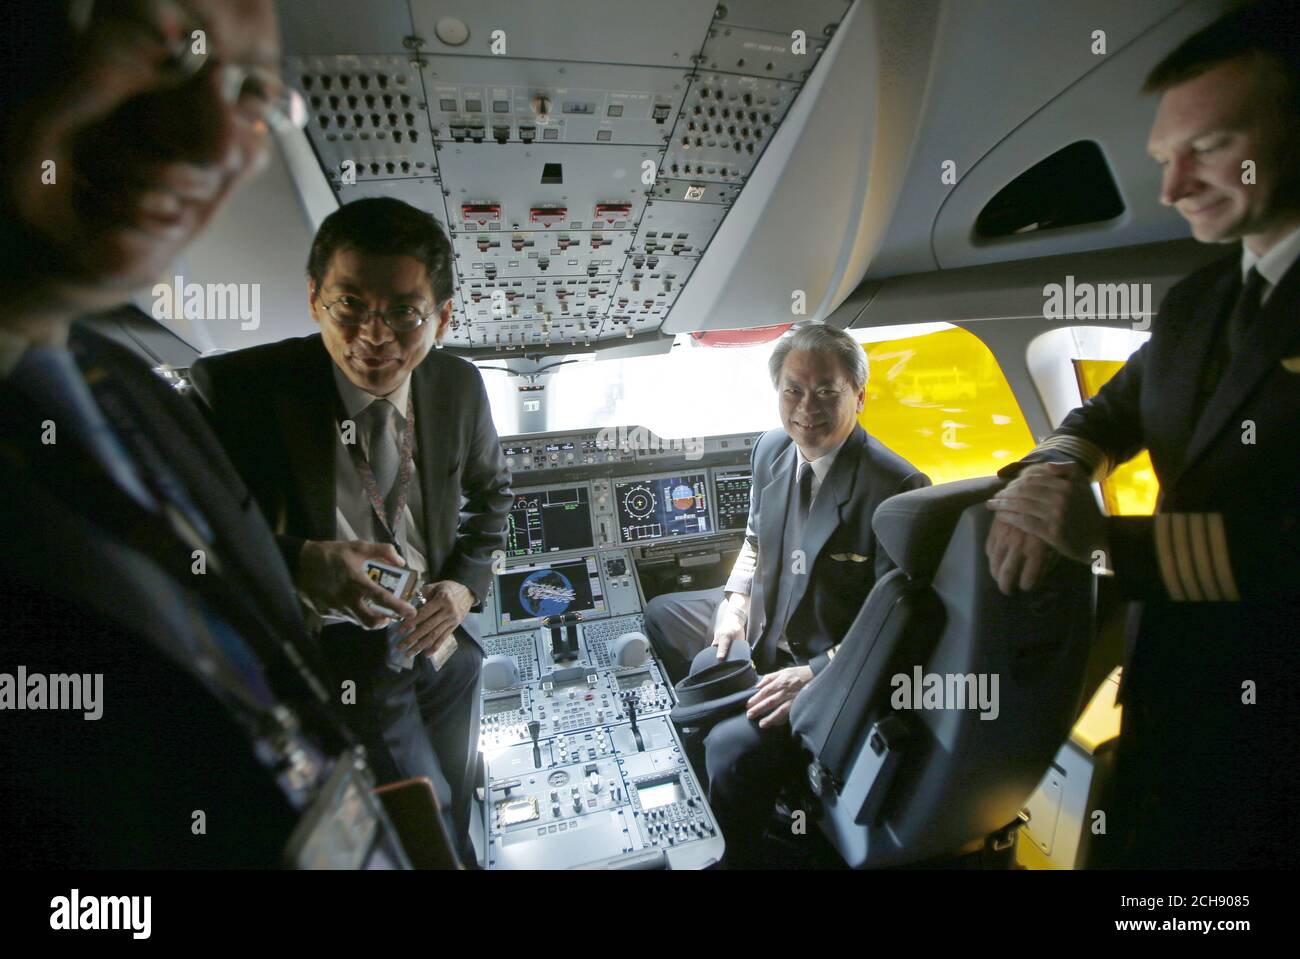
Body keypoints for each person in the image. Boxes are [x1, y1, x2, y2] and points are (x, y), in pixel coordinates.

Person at [0, 0, 377, 867]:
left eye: (253, 89)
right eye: (160, 43)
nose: (216, 137)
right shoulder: (206, 382)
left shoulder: (122, 381)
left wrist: (302, 567)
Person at [984, 0, 1300, 868]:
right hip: (1169, 688)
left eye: (1207, 146)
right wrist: (1053, 469)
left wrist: (1100, 544)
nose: (1169, 189)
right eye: (1165, 158)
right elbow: (1107, 412)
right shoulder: (1205, 296)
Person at [190, 197, 513, 863]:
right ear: (314, 299)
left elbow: (493, 498)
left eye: (403, 311)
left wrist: (461, 590)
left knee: (463, 782)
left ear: (442, 317)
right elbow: (190, 535)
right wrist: (301, 563)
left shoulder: (459, 384)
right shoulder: (237, 393)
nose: (374, 334)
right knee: (424, 806)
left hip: (447, 645)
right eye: (349, 306)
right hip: (350, 662)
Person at [645, 323, 929, 866]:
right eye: (793, 390)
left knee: (728, 752)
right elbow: (754, 541)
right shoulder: (771, 450)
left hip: (823, 664)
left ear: (860, 396)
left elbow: (897, 624)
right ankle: (715, 729)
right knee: (662, 615)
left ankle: (741, 850)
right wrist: (734, 601)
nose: (807, 407)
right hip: (761, 621)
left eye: (828, 390)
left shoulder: (896, 489)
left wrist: (818, 673)